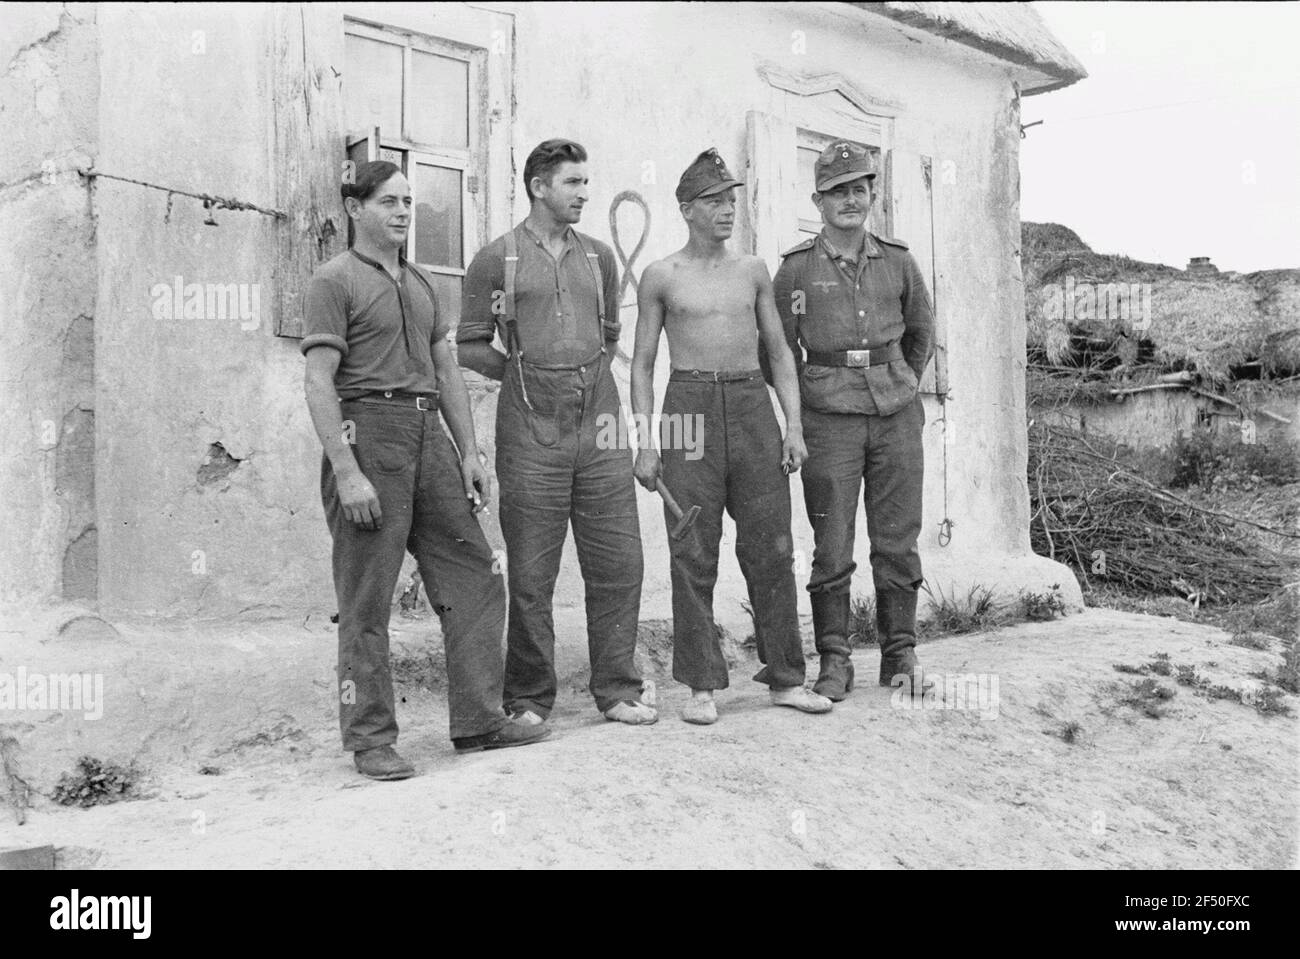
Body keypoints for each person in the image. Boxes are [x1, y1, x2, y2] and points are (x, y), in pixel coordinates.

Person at [302, 160, 550, 781]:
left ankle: (479, 721)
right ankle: (371, 741)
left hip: (428, 436)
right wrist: (347, 470)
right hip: (368, 434)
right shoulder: (334, 280)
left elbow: (446, 374)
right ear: (356, 208)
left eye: (409, 201)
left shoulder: (421, 284)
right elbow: (317, 381)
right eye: (389, 201)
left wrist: (469, 452)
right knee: (366, 600)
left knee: (474, 574)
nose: (404, 212)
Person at [457, 139, 657, 726]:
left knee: (618, 559)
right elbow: (471, 344)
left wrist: (576, 377)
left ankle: (618, 689)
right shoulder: (495, 260)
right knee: (532, 570)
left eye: (587, 183)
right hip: (529, 427)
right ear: (539, 186)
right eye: (573, 183)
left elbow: (612, 338)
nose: (585, 194)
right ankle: (528, 699)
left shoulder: (598, 257)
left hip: (599, 420)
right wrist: (521, 374)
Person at [631, 148, 833, 725]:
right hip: (687, 409)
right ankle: (701, 685)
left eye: (731, 201)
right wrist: (645, 441)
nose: (726, 211)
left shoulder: (753, 271)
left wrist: (792, 424)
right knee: (692, 547)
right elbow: (643, 364)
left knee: (770, 546)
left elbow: (779, 352)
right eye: (714, 202)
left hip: (750, 405)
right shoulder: (661, 276)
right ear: (686, 209)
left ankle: (786, 677)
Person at [768, 140, 936, 700]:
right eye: (837, 191)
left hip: (894, 413)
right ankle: (835, 658)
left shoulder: (899, 261)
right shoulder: (795, 271)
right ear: (818, 200)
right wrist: (806, 399)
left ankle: (900, 652)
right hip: (827, 418)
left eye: (859, 189)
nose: (850, 200)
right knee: (832, 542)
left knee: (897, 538)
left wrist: (904, 383)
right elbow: (778, 353)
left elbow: (920, 335)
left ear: (872, 196)